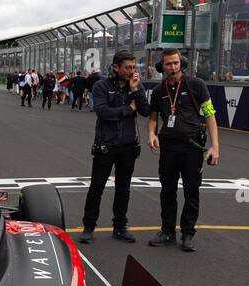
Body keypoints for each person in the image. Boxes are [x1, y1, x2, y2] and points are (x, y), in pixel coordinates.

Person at [146, 49, 219, 252]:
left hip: (192, 147)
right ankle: (167, 231)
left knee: (191, 191)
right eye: (169, 64)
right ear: (162, 66)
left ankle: (188, 233)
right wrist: (151, 134)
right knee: (167, 191)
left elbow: (210, 115)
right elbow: (152, 118)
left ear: (182, 63)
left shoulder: (196, 85)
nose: (173, 67)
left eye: (176, 63)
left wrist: (215, 146)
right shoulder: (159, 91)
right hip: (168, 147)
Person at [79, 50, 149, 244]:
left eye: (134, 67)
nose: (132, 71)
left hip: (128, 146)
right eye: (128, 67)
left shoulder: (135, 86)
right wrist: (128, 109)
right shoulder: (101, 86)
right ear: (116, 67)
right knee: (96, 188)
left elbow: (145, 110)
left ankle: (119, 226)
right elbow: (103, 113)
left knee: (123, 188)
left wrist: (135, 91)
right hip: (106, 145)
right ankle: (88, 227)